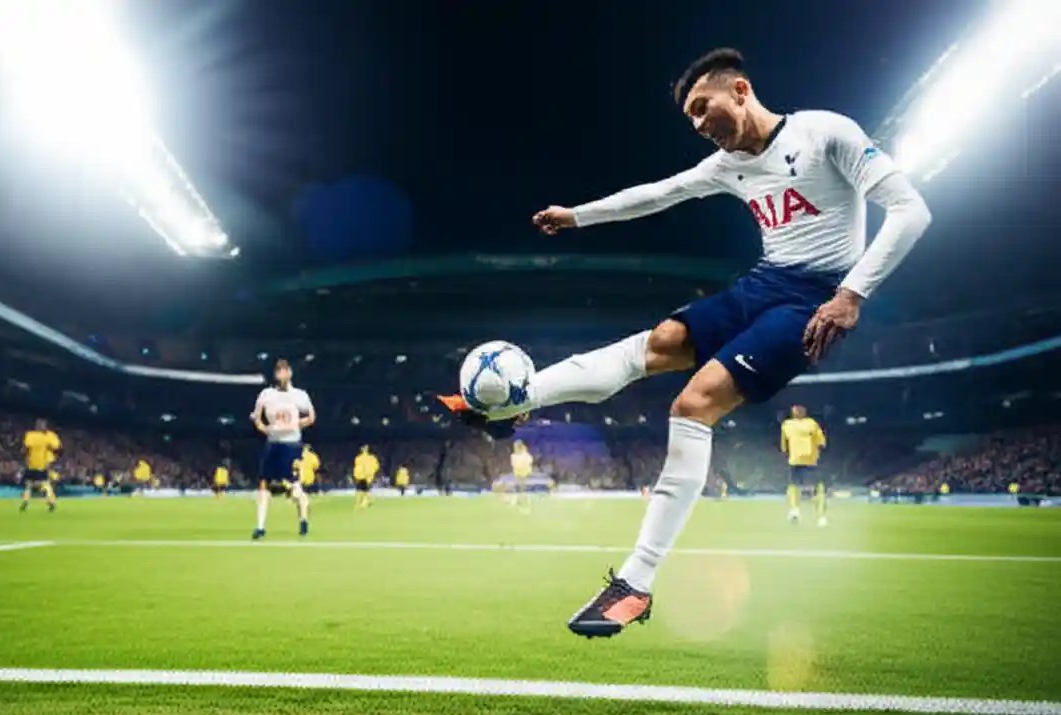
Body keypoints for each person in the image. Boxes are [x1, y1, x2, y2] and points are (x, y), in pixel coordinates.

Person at [443, 48, 930, 638]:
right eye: (691, 119)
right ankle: (508, 404)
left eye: (704, 108)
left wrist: (851, 295)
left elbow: (910, 210)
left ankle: (636, 583)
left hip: (815, 298)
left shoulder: (824, 132)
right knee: (656, 342)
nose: (699, 125)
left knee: (692, 405)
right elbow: (655, 194)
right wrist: (576, 216)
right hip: (765, 282)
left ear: (741, 90)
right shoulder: (726, 164)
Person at [251, 359, 315, 539]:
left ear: (290, 373)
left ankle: (303, 517)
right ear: (275, 374)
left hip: (292, 445)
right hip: (273, 444)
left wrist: (295, 424)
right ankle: (260, 526)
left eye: (285, 370)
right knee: (263, 484)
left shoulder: (299, 395)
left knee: (293, 486)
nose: (282, 374)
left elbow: (311, 417)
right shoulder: (267, 394)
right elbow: (257, 418)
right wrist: (266, 429)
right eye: (279, 370)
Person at [781, 405, 827, 526]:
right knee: (818, 488)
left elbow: (784, 446)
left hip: (795, 460)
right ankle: (821, 516)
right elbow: (821, 442)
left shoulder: (787, 425)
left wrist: (787, 453)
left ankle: (795, 510)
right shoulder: (812, 424)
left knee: (793, 485)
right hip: (811, 460)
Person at [20, 418, 60, 513]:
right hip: (41, 464)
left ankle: (25, 501)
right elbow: (55, 448)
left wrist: (25, 459)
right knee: (45, 484)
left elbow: (25, 449)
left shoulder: (29, 435)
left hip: (32, 464)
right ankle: (51, 502)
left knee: (29, 484)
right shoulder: (46, 437)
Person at [353, 445, 380, 510]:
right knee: (366, 490)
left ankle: (360, 504)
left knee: (360, 491)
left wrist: (356, 476)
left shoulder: (358, 458)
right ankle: (367, 502)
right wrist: (372, 473)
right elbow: (376, 467)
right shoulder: (372, 458)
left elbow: (356, 468)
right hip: (368, 477)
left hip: (360, 477)